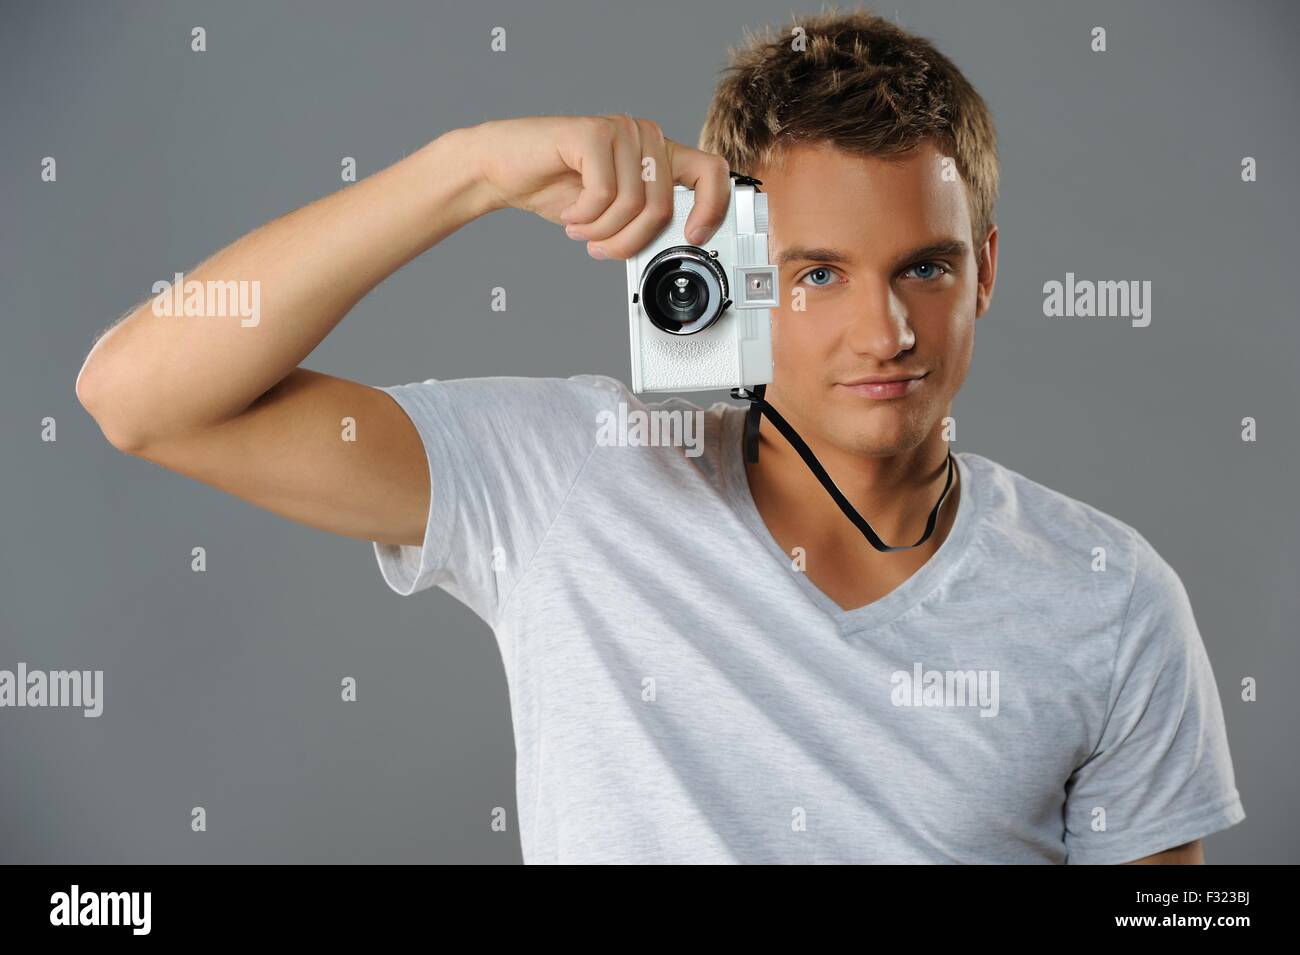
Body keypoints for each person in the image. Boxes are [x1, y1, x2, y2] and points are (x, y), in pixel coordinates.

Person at [75, 9, 1244, 864]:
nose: (884, 330)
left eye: (924, 267)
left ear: (983, 269)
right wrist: (466, 172)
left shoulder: (1110, 596)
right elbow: (141, 395)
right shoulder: (568, 480)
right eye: (816, 273)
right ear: (732, 273)